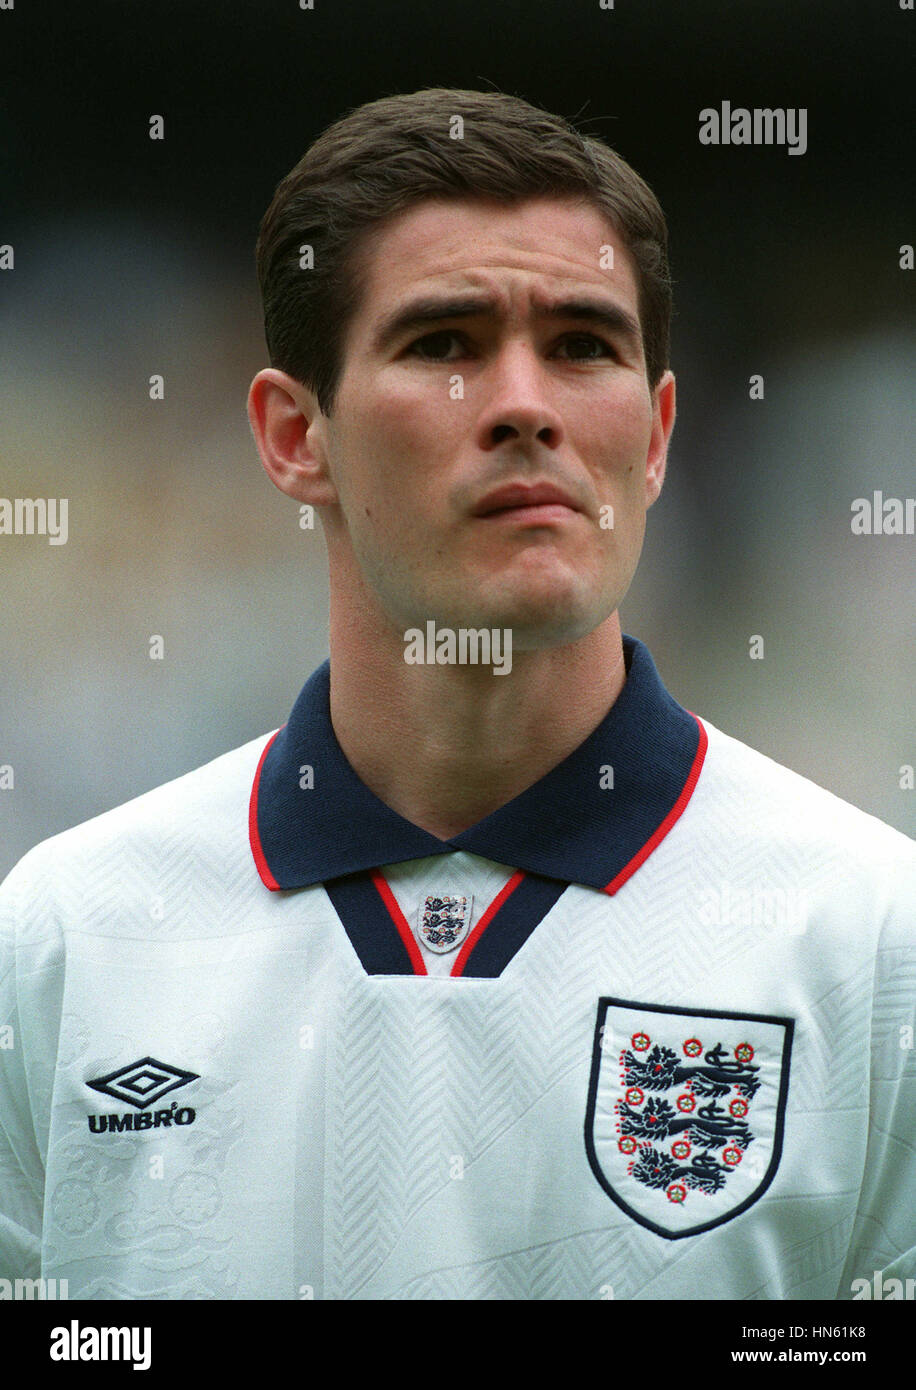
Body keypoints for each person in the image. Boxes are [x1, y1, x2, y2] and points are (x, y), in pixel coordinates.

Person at [1, 88, 913, 1302]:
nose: (526, 404)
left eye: (585, 344)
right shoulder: (72, 935)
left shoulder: (871, 940)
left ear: (654, 436)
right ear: (293, 437)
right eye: (444, 344)